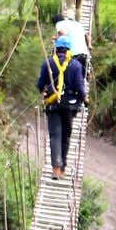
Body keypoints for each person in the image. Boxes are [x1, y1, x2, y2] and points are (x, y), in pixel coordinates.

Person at [37, 38, 85, 180]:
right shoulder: (76, 65)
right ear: (69, 50)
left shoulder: (48, 63)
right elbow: (80, 87)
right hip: (70, 106)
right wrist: (84, 99)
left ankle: (56, 169)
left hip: (53, 104)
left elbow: (40, 84)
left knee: (55, 136)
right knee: (66, 136)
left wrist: (45, 90)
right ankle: (63, 168)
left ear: (56, 49)